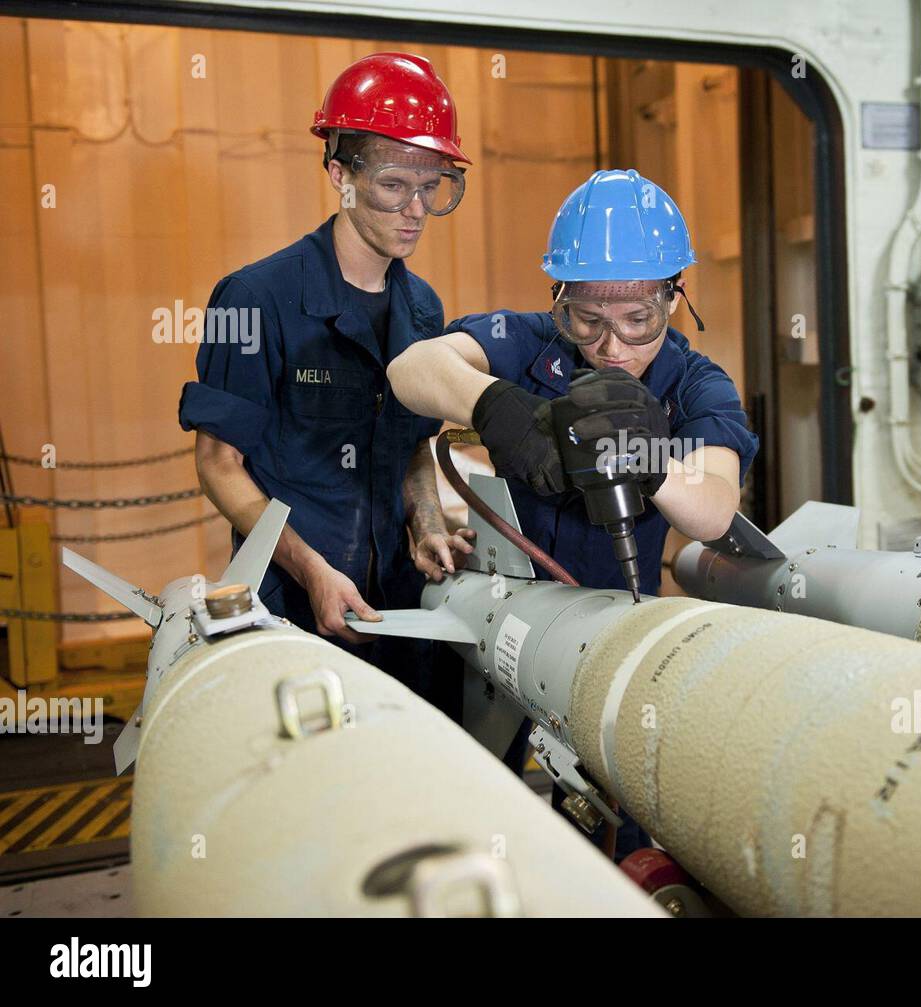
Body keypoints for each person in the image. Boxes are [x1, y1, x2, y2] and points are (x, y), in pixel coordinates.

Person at [387, 168, 759, 854]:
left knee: (616, 818)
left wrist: (642, 456)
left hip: (617, 630)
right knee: (477, 803)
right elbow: (410, 369)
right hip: (512, 615)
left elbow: (711, 507)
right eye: (586, 319)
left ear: (674, 300)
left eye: (636, 321)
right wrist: (498, 406)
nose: (611, 344)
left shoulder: (696, 382)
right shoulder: (526, 343)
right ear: (557, 301)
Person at [177, 52, 474, 716]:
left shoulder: (423, 307)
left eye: (435, 187)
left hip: (397, 611)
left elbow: (416, 444)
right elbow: (219, 464)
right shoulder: (252, 298)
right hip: (290, 608)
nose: (416, 210)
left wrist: (426, 524)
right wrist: (311, 571)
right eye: (395, 185)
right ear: (340, 175)